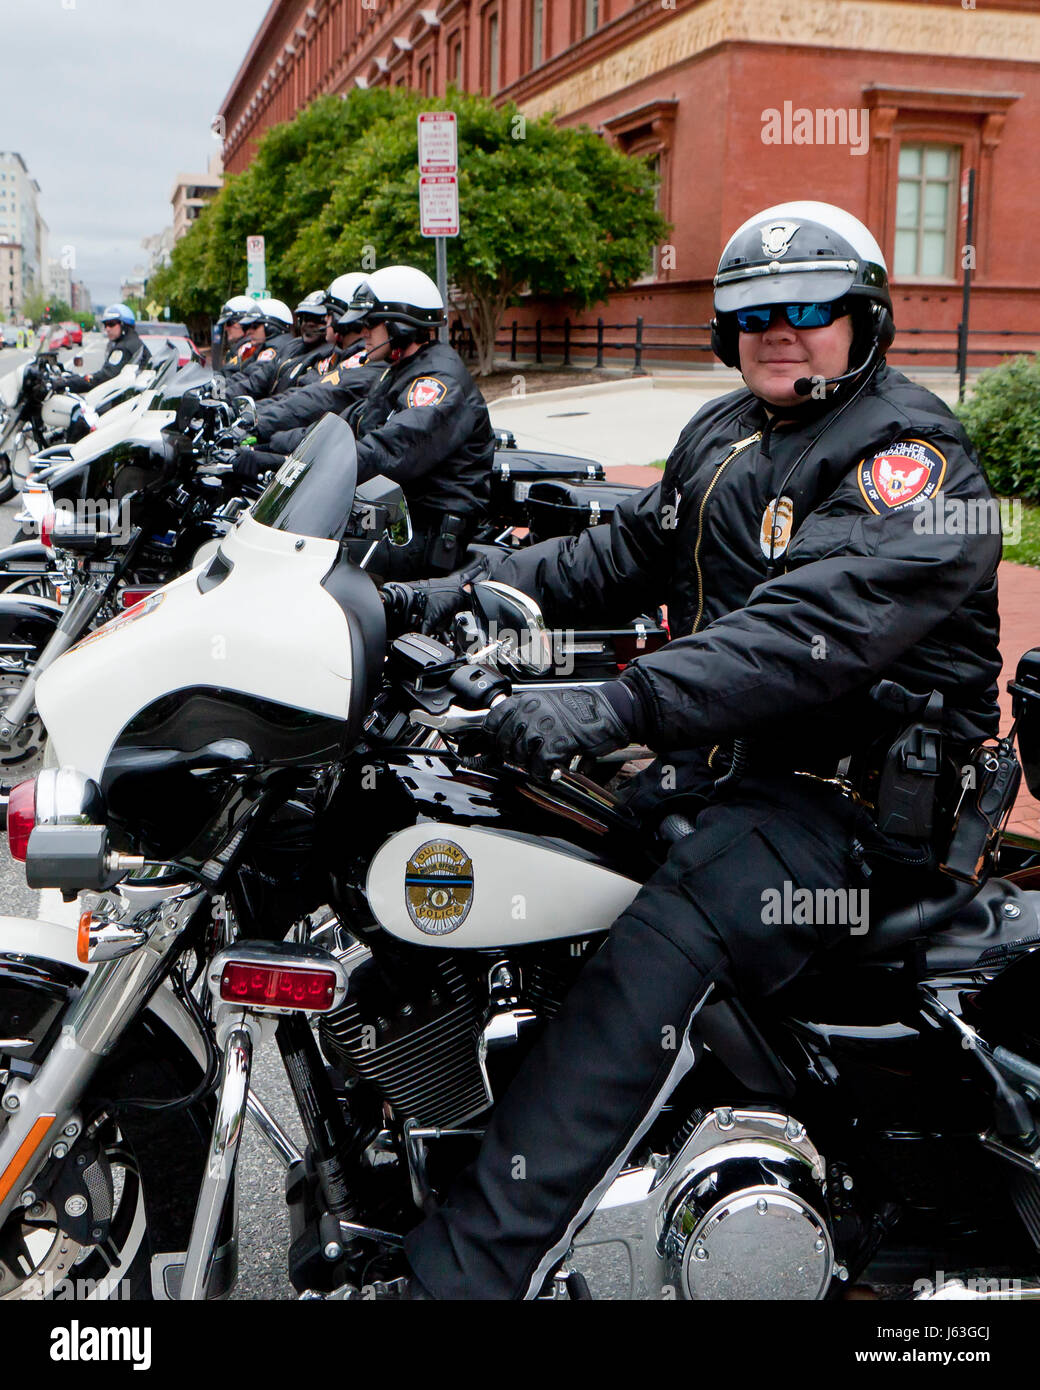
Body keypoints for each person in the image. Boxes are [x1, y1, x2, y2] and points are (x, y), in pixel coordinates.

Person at [379, 201, 1003, 1299]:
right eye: (753, 311)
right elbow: (614, 554)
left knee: (658, 947)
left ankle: (465, 1273)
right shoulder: (726, 434)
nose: (779, 329)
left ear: (861, 317)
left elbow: (807, 629)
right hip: (730, 769)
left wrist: (614, 707)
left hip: (845, 816)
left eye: (807, 308)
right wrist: (436, 597)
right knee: (496, 823)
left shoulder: (909, 461)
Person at [239, 265, 494, 579]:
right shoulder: (400, 371)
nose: (363, 333)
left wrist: (312, 470)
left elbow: (388, 450)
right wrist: (269, 448)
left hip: (426, 534)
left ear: (399, 326)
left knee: (313, 569)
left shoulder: (437, 383)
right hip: (395, 517)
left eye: (370, 324)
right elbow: (350, 426)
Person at [220, 297, 300, 399]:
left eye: (254, 326)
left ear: (271, 327)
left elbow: (254, 382)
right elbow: (244, 374)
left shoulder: (274, 350)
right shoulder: (264, 347)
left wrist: (221, 394)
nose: (249, 331)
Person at [61, 303, 148, 393]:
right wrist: (74, 378)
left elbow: (104, 377)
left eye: (111, 324)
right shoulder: (133, 341)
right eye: (105, 324)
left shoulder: (123, 348)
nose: (107, 328)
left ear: (124, 324)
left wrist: (69, 383)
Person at [214, 294, 256, 371]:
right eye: (225, 324)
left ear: (245, 324)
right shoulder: (235, 350)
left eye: (229, 323)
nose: (226, 328)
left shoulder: (251, 350)